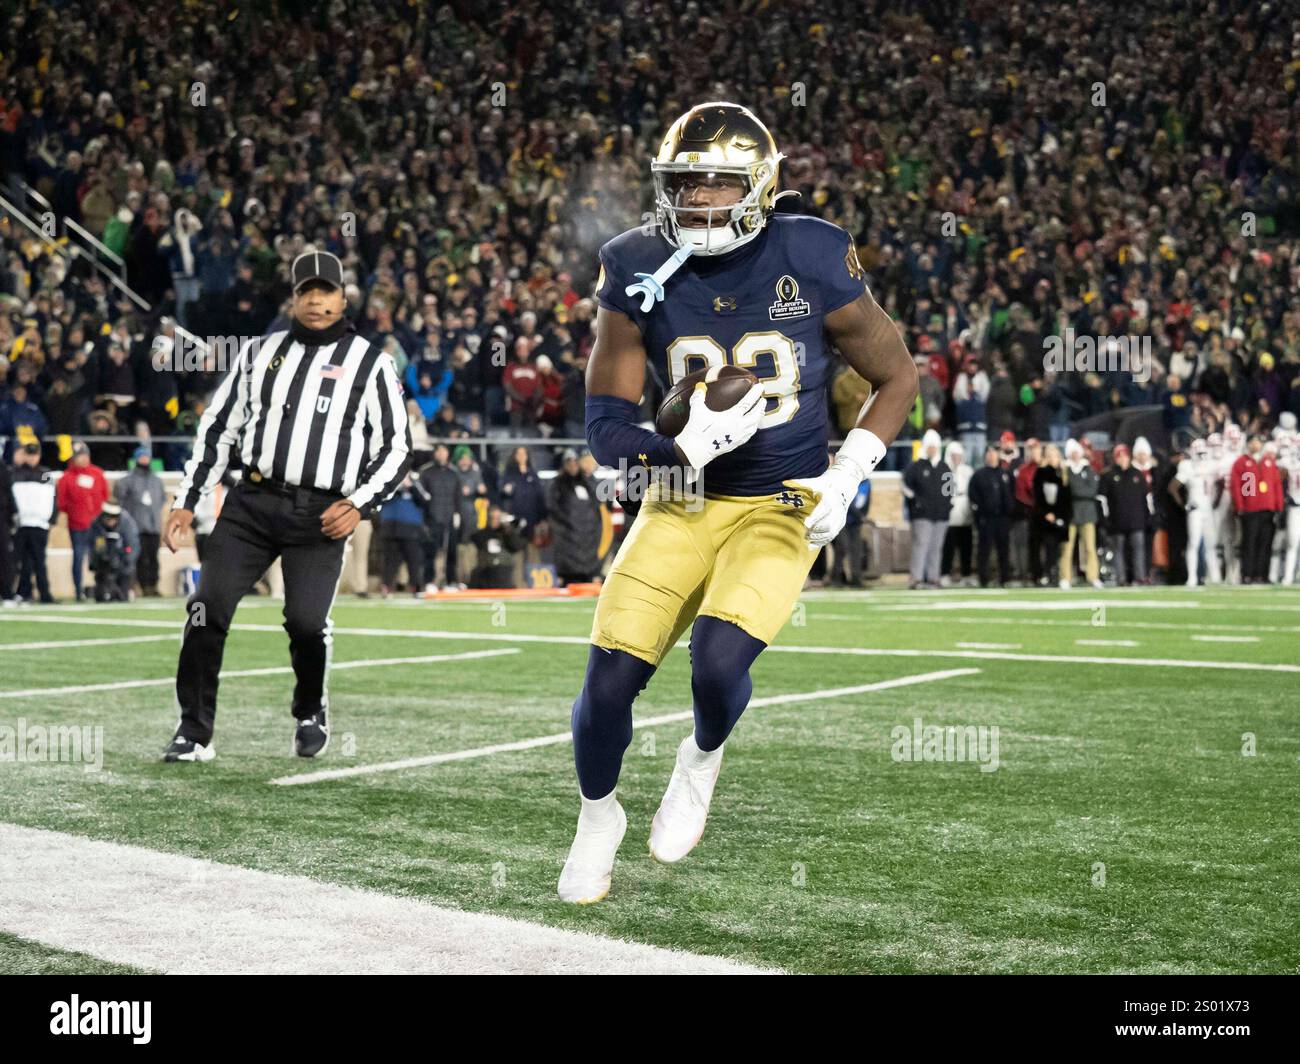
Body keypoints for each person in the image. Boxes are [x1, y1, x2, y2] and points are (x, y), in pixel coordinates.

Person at [558, 103, 917, 904]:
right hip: (680, 498)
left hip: (780, 503)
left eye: (720, 182)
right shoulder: (634, 261)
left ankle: (701, 757)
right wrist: (675, 452)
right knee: (608, 682)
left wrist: (850, 470)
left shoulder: (813, 252)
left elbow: (899, 378)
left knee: (718, 665)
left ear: (759, 184)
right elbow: (606, 419)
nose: (700, 198)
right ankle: (596, 817)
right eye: (685, 182)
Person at [160, 251, 412, 763]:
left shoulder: (372, 362)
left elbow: (397, 447)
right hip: (250, 503)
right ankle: (194, 730)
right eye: (306, 291)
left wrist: (360, 504)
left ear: (344, 298)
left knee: (304, 622)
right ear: (293, 298)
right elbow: (218, 429)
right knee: (204, 609)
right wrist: (187, 501)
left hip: (320, 513)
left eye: (326, 291)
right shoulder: (257, 352)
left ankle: (310, 708)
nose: (316, 300)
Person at [55, 441, 109, 601]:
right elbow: (62, 502)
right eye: (79, 456)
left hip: (97, 526)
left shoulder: (97, 474)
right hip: (77, 525)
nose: (83, 459)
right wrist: (76, 512)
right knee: (78, 558)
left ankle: (102, 589)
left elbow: (105, 495)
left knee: (101, 557)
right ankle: (79, 591)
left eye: (85, 455)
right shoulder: (66, 478)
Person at [901, 430, 951, 588]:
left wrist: (947, 508)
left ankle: (933, 577)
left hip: (940, 515)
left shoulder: (944, 468)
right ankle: (916, 578)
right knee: (920, 545)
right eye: (929, 446)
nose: (932, 449)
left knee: (936, 547)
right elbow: (905, 486)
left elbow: (949, 491)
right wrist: (916, 502)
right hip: (922, 514)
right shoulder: (916, 467)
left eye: (934, 447)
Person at [1231, 433, 1282, 584]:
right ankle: (1247, 574)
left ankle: (1262, 574)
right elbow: (1236, 486)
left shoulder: (1269, 461)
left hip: (1267, 508)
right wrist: (1240, 505)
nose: (1256, 444)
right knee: (1249, 542)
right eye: (1253, 441)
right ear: (1248, 444)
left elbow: (1276, 484)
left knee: (1265, 543)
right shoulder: (1242, 462)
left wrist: (1278, 505)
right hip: (1250, 508)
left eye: (1258, 441)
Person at [548, 448, 604, 585]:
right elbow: (553, 507)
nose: (573, 466)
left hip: (587, 537)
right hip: (568, 535)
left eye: (575, 463)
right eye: (569, 463)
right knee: (569, 575)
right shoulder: (558, 484)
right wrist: (568, 523)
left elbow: (597, 505)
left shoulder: (587, 482)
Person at [115, 445, 165, 595]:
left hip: (154, 525)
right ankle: (141, 585)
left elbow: (161, 500)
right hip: (136, 525)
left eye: (147, 457)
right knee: (140, 558)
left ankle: (153, 585)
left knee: (153, 557)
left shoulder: (157, 481)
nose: (145, 460)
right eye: (142, 457)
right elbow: (120, 500)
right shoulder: (127, 481)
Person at [10, 442, 57, 603]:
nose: (32, 458)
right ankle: (23, 592)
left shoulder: (46, 474)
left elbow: (52, 498)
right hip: (21, 524)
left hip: (40, 525)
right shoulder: (15, 473)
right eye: (29, 455)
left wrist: (51, 519)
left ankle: (44, 594)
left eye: (34, 455)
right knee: (22, 561)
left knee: (39, 562)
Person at [1171, 438, 1222, 586]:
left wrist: (1217, 501)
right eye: (1199, 453)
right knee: (1194, 543)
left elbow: (1222, 482)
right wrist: (1184, 505)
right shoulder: (1187, 466)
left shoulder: (1214, 464)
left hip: (1211, 508)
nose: (1202, 456)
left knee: (1214, 544)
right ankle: (1192, 577)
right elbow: (1173, 487)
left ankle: (1218, 576)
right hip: (1197, 509)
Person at [1099, 444, 1151, 586]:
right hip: (1117, 520)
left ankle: (1139, 577)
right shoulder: (1108, 475)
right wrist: (1106, 519)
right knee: (1118, 550)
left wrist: (1147, 516)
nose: (1122, 459)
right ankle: (1121, 578)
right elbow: (1102, 499)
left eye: (1124, 456)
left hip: (1136, 520)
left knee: (1138, 549)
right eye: (1119, 456)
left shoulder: (1137, 474)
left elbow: (1146, 498)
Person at [417, 445, 463, 589]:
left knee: (451, 551)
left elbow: (458, 495)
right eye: (440, 451)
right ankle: (429, 581)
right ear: (435, 453)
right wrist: (425, 516)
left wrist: (457, 513)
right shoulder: (426, 472)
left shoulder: (454, 473)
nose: (442, 454)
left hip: (450, 516)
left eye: (445, 451)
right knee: (431, 550)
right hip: (432, 517)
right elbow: (421, 496)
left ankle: (450, 581)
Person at [969, 444, 1013, 587]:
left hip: (1003, 518)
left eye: (994, 453)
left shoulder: (1005, 474)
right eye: (989, 453)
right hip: (986, 519)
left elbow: (1012, 494)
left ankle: (1005, 579)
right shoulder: (978, 475)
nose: (992, 456)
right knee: (984, 551)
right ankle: (984, 580)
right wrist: (980, 514)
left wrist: (1009, 512)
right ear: (985, 456)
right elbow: (973, 496)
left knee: (1004, 550)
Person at [1061, 439, 1102, 590]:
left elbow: (1092, 490)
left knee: (1090, 548)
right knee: (1067, 547)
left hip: (1087, 513)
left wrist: (1076, 491)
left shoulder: (1088, 469)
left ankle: (1093, 577)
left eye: (1077, 452)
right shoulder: (1065, 470)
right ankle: (1065, 577)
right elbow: (1065, 491)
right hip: (1070, 513)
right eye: (1073, 452)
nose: (1076, 455)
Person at [377, 472, 427, 596]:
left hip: (411, 527)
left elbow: (425, 500)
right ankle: (386, 586)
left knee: (413, 559)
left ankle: (416, 586)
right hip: (391, 526)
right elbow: (380, 499)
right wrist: (395, 487)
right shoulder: (387, 480)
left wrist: (411, 487)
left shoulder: (416, 481)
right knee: (390, 560)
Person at [1033, 444, 1070, 586]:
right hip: (1046, 518)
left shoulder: (1064, 473)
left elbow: (1067, 497)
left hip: (1062, 517)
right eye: (1050, 456)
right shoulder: (1041, 473)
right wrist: (1047, 513)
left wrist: (1061, 515)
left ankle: (1061, 576)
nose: (1053, 459)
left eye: (1055, 456)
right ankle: (1048, 575)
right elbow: (1038, 496)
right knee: (1049, 548)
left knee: (1062, 549)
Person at [89, 501, 139, 601]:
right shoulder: (97, 524)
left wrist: (125, 561)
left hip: (122, 560)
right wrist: (101, 558)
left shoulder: (127, 524)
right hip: (104, 563)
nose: (110, 521)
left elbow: (132, 546)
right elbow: (96, 546)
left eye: (113, 518)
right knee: (101, 596)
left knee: (123, 596)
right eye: (108, 518)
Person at [939, 440, 973, 586]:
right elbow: (946, 492)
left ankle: (966, 574)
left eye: (958, 455)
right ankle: (945, 573)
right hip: (951, 511)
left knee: (966, 546)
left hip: (965, 509)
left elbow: (971, 490)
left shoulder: (967, 471)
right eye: (953, 455)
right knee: (949, 546)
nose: (956, 459)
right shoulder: (945, 471)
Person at [469, 504, 525, 588]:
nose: (495, 521)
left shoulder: (506, 533)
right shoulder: (483, 534)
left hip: (505, 571)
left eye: (498, 518)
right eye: (493, 518)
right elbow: (475, 538)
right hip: (488, 571)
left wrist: (507, 529)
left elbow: (517, 546)